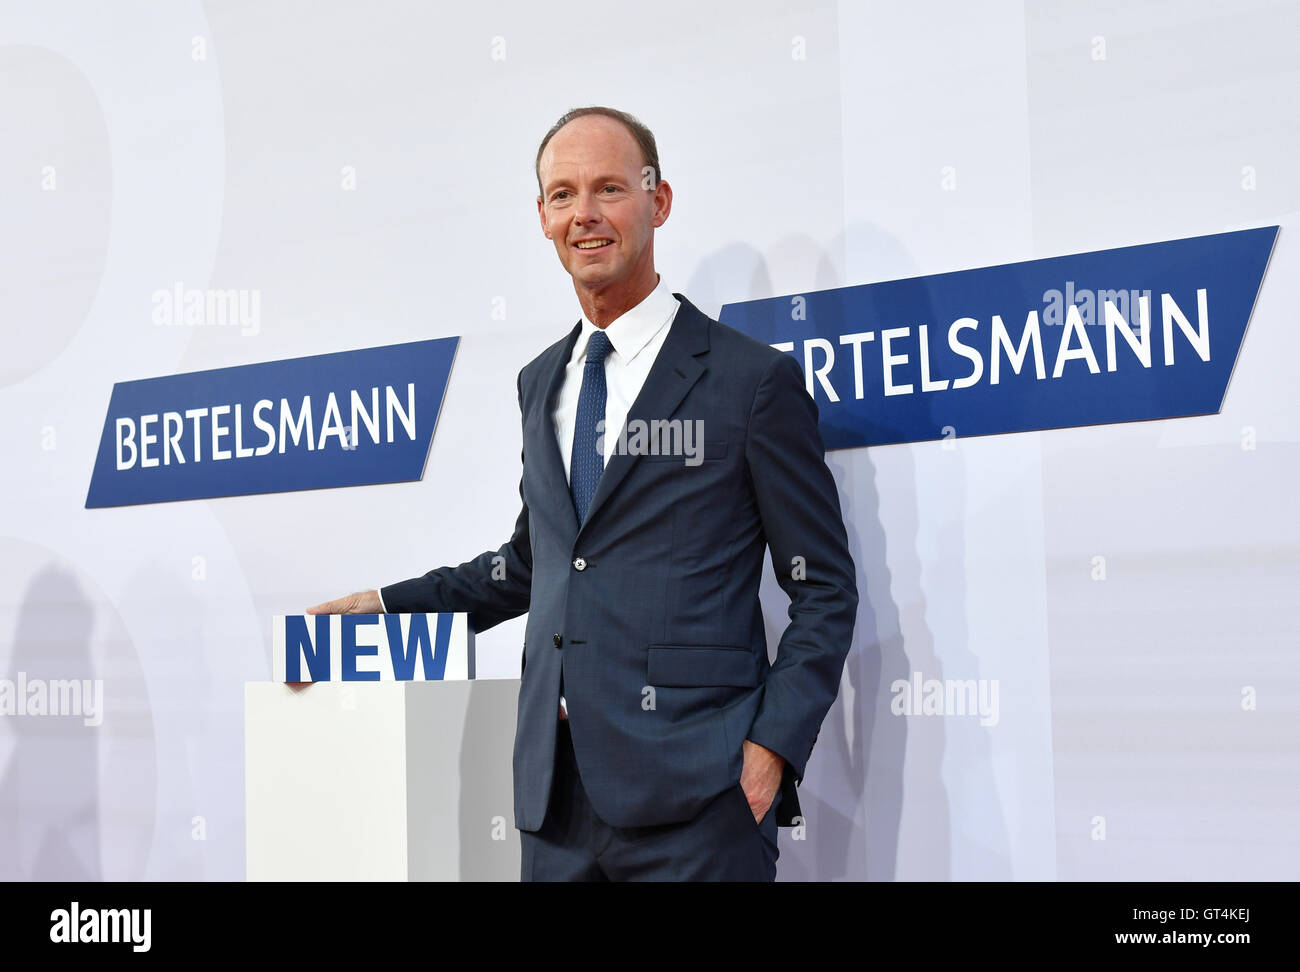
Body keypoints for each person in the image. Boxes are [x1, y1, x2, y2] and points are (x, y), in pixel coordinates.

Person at [310, 106, 858, 881]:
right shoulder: (541, 383)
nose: (586, 215)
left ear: (658, 200)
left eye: (608, 188)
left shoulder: (751, 382)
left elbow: (825, 588)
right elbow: (534, 566)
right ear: (541, 217)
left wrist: (772, 751)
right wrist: (384, 606)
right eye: (562, 195)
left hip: (699, 806)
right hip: (554, 806)